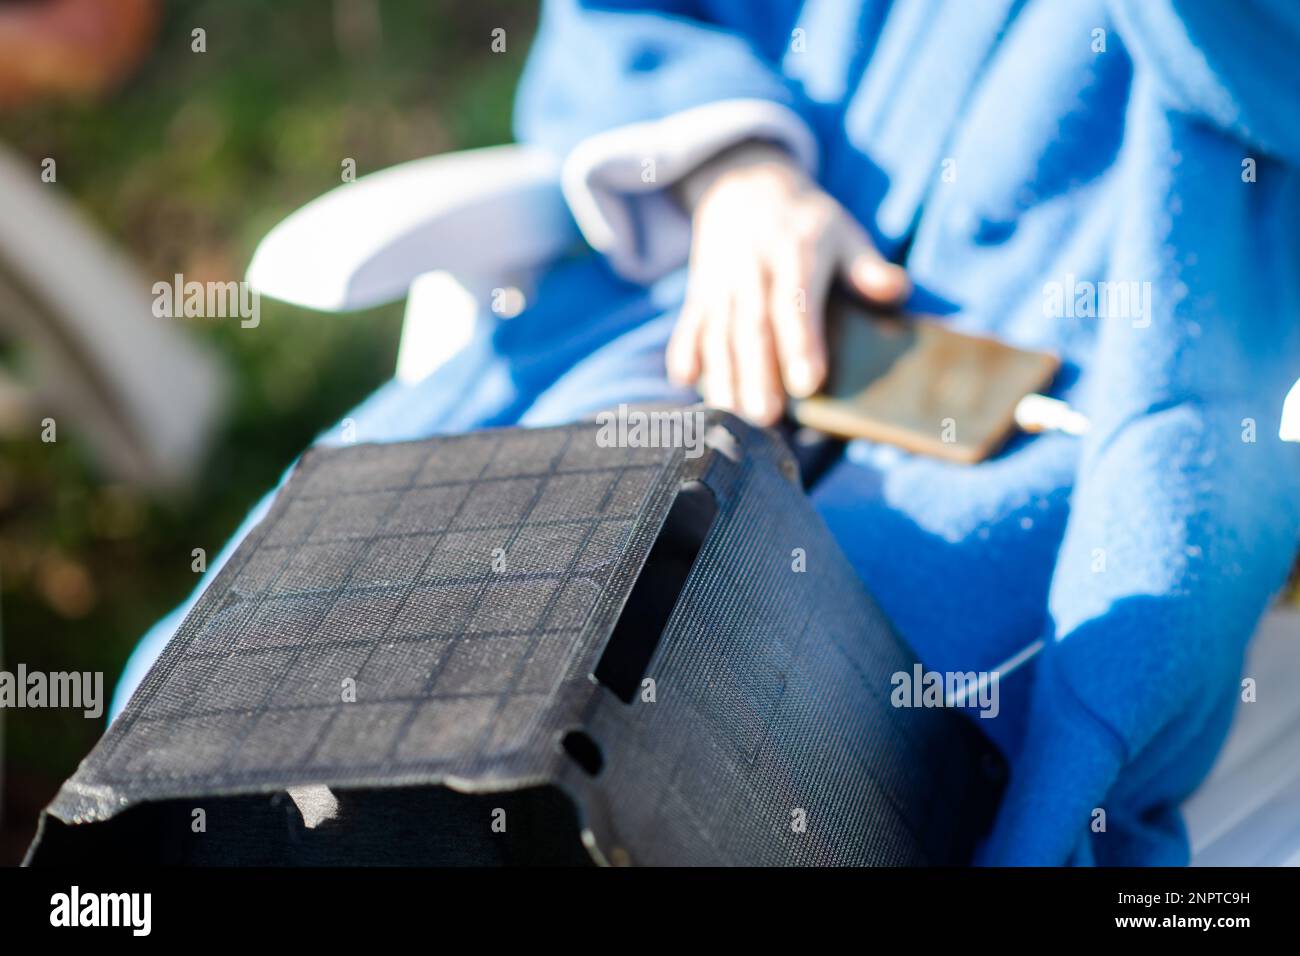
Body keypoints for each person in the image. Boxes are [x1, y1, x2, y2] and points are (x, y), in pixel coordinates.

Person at [115, 0, 1300, 865]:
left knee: (814, 733)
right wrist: (736, 170)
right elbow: (629, 18)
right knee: (375, 634)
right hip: (702, 288)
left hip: (1073, 383)